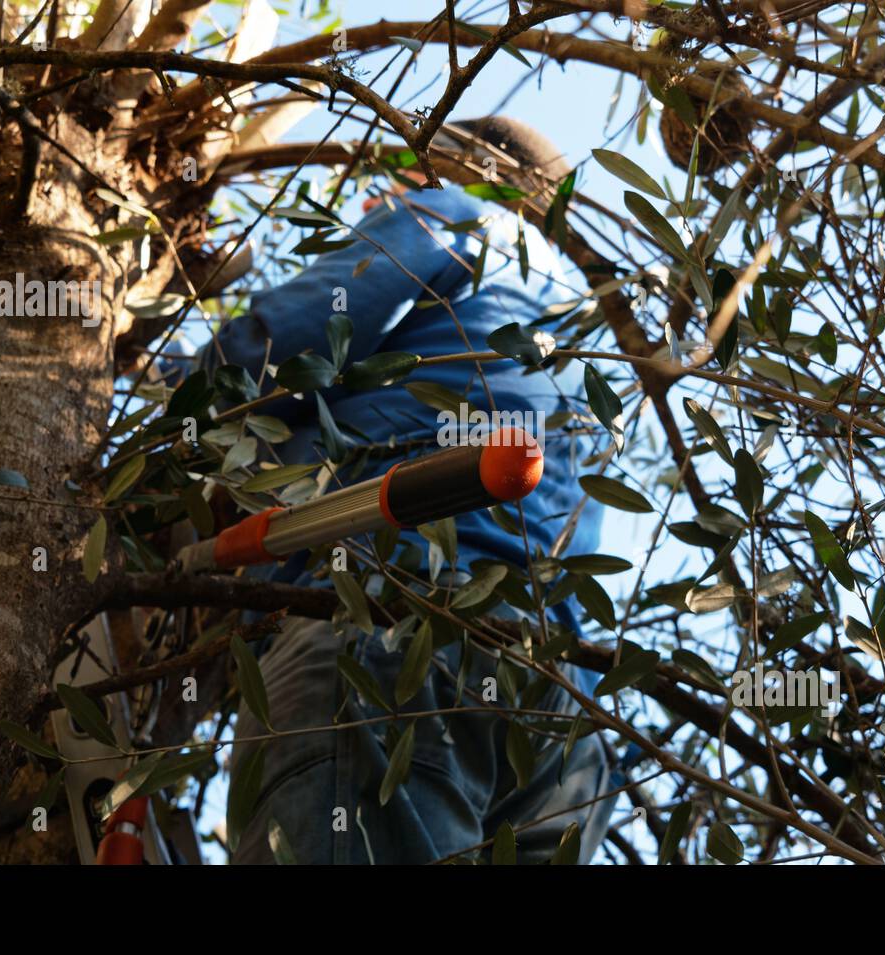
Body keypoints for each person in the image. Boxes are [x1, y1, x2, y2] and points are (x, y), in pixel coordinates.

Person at [178, 116, 614, 864]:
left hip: (398, 628)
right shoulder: (581, 337)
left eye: (402, 174)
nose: (380, 193)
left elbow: (288, 342)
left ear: (457, 167)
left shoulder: (460, 215)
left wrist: (166, 407)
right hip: (558, 719)